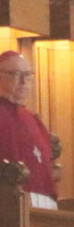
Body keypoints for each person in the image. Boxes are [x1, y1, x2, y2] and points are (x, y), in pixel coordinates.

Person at [0, 50, 56, 208]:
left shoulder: (33, 120)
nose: (24, 82)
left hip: (44, 201)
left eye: (28, 75)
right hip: (10, 202)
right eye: (16, 74)